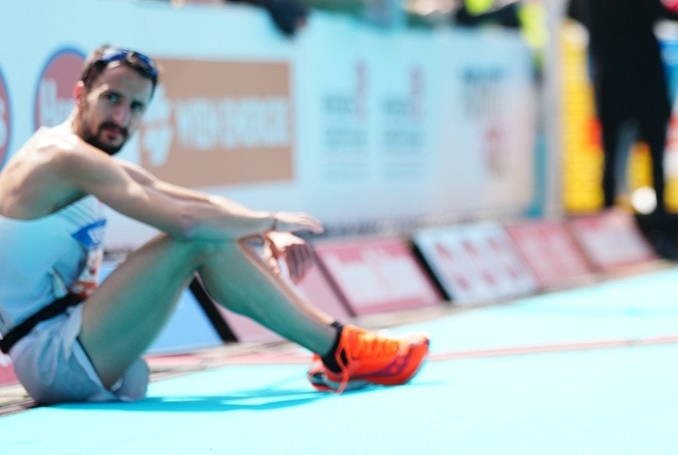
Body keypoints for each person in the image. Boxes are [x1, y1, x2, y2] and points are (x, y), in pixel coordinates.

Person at [0, 46, 428, 404]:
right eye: (111, 99)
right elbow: (187, 221)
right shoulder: (61, 157)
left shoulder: (84, 157)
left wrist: (259, 229)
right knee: (197, 238)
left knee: (212, 232)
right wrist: (271, 220)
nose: (122, 118)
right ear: (80, 94)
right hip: (52, 356)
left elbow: (188, 198)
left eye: (135, 107)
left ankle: (337, 344)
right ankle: (340, 350)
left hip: (72, 343)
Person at [568, 0, 678, 249]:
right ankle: (660, 229)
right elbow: (653, 11)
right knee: (654, 147)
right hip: (643, 67)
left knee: (610, 148)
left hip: (605, 66)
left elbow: (572, 12)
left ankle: (605, 229)